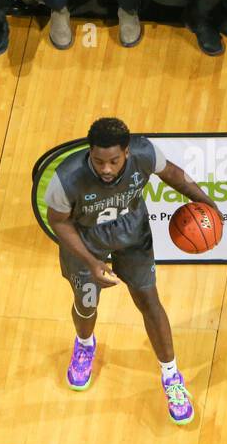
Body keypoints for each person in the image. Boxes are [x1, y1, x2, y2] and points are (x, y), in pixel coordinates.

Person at [44, 118, 218, 424]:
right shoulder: (68, 177)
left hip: (132, 234)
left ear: (126, 151)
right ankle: (85, 345)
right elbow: (59, 221)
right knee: (87, 304)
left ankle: (171, 376)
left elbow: (173, 174)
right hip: (86, 239)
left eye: (113, 160)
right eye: (99, 161)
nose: (107, 169)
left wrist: (206, 203)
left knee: (149, 300)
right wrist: (91, 261)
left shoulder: (145, 153)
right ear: (90, 154)